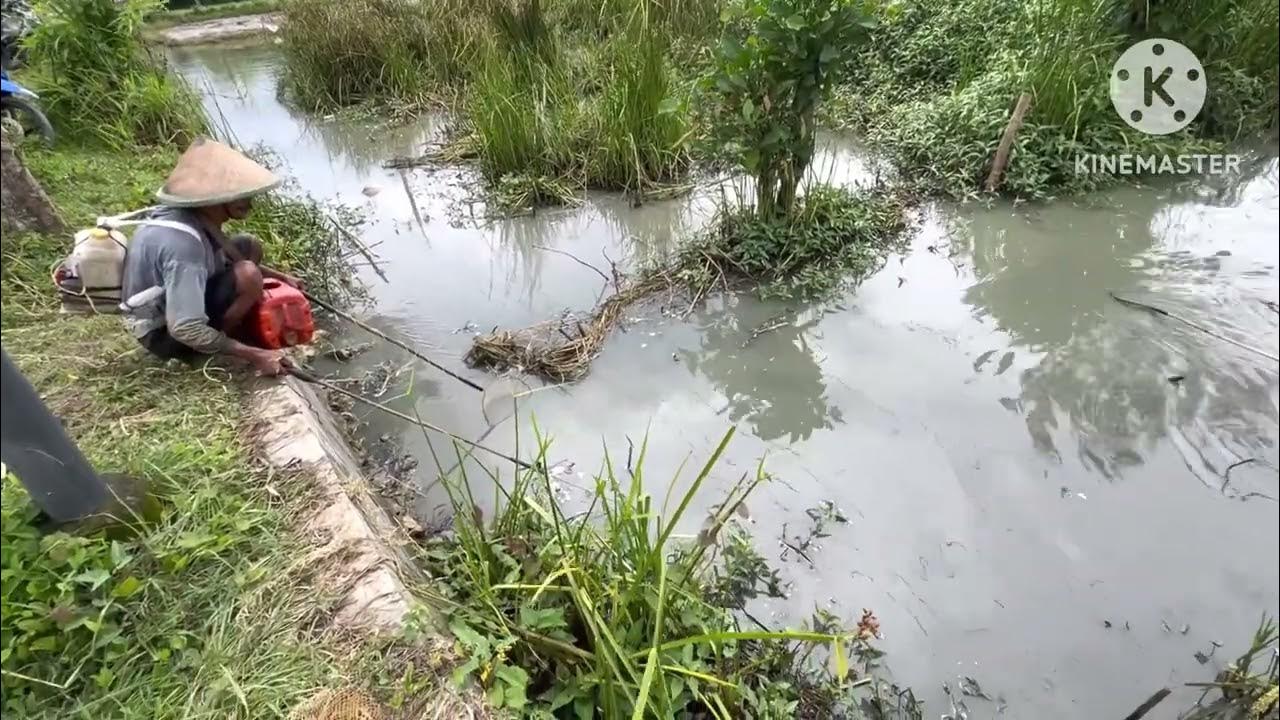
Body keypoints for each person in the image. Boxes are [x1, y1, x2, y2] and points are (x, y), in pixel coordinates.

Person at [121, 138, 303, 376]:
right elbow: (184, 328)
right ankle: (219, 346)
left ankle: (237, 324)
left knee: (248, 246)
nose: (249, 203)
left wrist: (283, 277)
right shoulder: (184, 246)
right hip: (163, 333)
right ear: (215, 200)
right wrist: (256, 354)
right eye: (239, 196)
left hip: (173, 303)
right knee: (248, 275)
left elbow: (229, 257)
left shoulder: (196, 218)